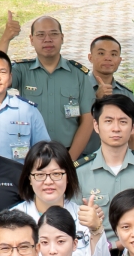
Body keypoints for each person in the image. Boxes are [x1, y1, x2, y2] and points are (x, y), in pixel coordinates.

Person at [8, 16, 96, 159]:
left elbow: (87, 120)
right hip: (31, 155)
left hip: (68, 153)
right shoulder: (22, 70)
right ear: (31, 40)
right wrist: (6, 39)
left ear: (62, 38)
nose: (47, 39)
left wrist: (69, 161)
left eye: (54, 34)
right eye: (40, 35)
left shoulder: (79, 74)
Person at [15, 141, 108, 256]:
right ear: (29, 178)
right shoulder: (13, 220)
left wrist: (96, 229)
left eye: (56, 174)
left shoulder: (85, 218)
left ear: (68, 176)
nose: (48, 181)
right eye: (40, 175)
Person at [74, 95, 134, 210]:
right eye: (108, 121)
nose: (116, 128)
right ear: (96, 126)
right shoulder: (79, 172)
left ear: (133, 127)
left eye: (123, 122)